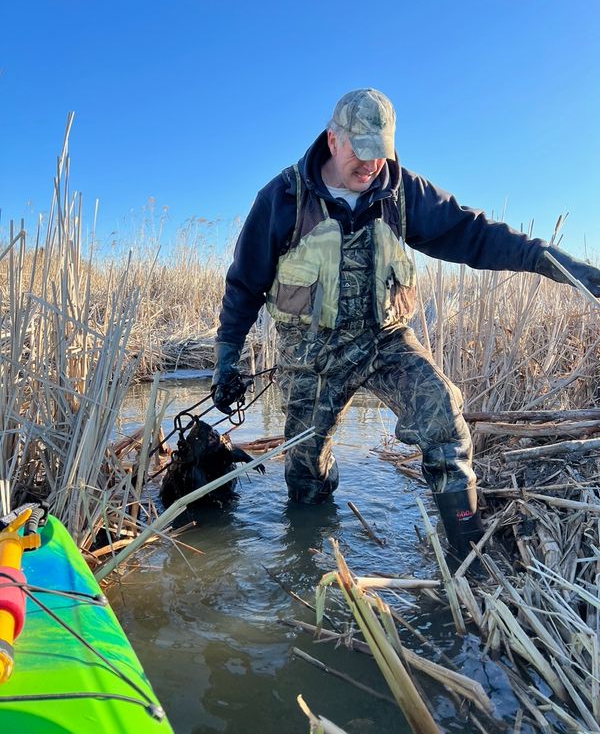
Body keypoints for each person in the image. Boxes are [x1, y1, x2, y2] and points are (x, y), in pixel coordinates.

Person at [211, 88, 600, 563]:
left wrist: (550, 261)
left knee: (443, 414)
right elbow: (244, 284)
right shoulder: (283, 197)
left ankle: (467, 557)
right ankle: (309, 566)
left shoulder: (401, 190)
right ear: (332, 140)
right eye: (360, 150)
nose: (371, 164)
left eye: (381, 151)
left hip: (386, 341)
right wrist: (226, 358)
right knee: (306, 473)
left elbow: (474, 234)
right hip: (313, 356)